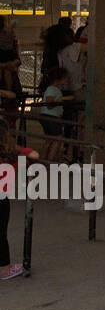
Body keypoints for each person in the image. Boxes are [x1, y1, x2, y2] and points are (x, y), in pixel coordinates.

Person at [0, 120, 38, 281]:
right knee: (1, 233)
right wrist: (18, 148)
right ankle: (4, 268)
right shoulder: (11, 153)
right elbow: (34, 155)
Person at [37, 67, 70, 163]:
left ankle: (43, 160)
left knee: (49, 140)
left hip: (46, 116)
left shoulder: (51, 89)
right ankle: (49, 161)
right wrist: (64, 99)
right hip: (51, 117)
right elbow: (49, 103)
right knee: (57, 139)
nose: (67, 81)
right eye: (66, 78)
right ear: (60, 78)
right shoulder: (53, 89)